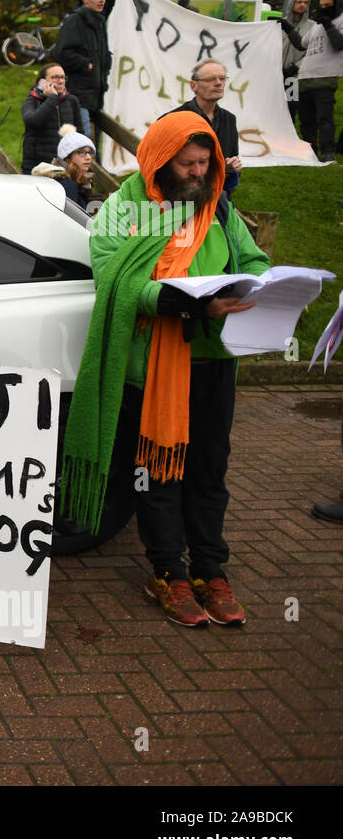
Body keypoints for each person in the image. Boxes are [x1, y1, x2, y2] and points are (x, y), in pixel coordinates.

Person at [60, 110, 270, 628]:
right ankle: (168, 573)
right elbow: (115, 280)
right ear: (159, 162)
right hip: (151, 365)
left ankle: (211, 571)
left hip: (214, 362)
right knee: (157, 470)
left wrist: (264, 284)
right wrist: (189, 303)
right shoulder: (121, 208)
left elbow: (253, 258)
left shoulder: (218, 206)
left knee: (208, 470)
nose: (199, 173)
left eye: (205, 162)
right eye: (188, 164)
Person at [167, 60, 243, 195]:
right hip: (181, 199)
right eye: (210, 79)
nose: (219, 83)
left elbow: (232, 160)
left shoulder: (229, 119)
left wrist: (234, 167)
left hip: (219, 198)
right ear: (193, 86)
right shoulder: (173, 120)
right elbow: (164, 169)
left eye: (222, 78)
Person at [52, 0, 112, 138]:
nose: (102, 0)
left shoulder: (100, 21)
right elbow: (61, 54)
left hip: (96, 96)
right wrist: (86, 64)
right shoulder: (75, 20)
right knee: (82, 143)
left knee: (91, 144)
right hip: (78, 95)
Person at [297, 0, 343, 164]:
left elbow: (339, 44)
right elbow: (301, 44)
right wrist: (285, 27)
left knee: (324, 118)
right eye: (321, 6)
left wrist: (329, 25)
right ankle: (310, 150)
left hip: (325, 76)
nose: (323, 9)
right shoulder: (316, 25)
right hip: (305, 77)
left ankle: (328, 152)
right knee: (306, 119)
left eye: (328, 6)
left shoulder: (339, 20)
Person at [21, 62, 83, 173]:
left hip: (65, 166)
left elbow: (80, 133)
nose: (60, 81)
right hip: (37, 166)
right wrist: (52, 98)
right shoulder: (32, 100)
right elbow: (32, 122)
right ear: (42, 81)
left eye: (63, 77)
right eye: (55, 77)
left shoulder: (72, 101)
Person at [32, 124, 97, 211]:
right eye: (81, 152)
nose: (88, 157)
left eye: (90, 152)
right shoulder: (68, 186)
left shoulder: (79, 181)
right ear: (68, 157)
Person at [280, 0, 312, 128]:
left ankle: (289, 136)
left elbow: (311, 52)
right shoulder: (280, 24)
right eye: (299, 2)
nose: (302, 5)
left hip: (295, 76)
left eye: (305, 2)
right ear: (292, 3)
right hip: (277, 74)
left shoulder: (312, 26)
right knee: (275, 105)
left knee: (291, 107)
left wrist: (297, 66)